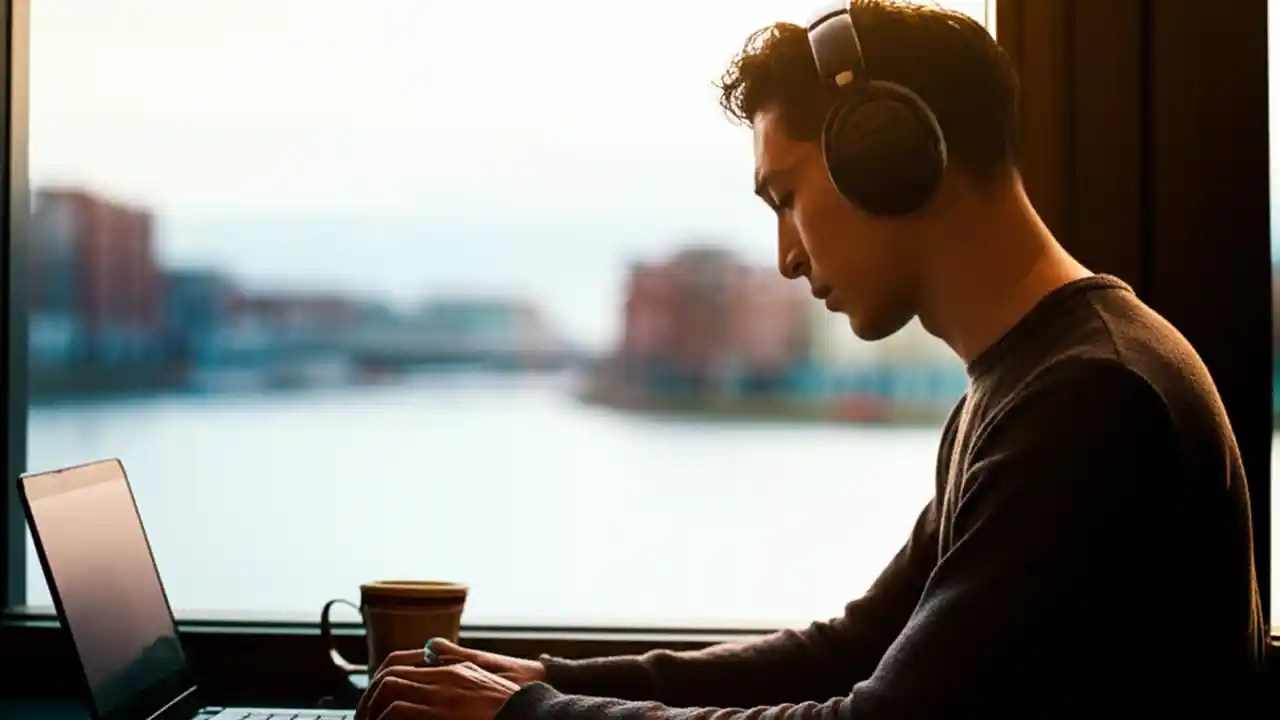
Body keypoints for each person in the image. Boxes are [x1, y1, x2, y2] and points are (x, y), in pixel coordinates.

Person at [354, 1, 1267, 717]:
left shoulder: (1087, 399)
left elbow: (878, 718)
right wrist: (542, 678)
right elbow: (854, 647)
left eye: (785, 197)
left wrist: (532, 717)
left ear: (889, 154)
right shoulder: (1040, 374)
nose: (787, 256)